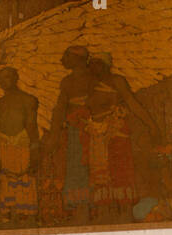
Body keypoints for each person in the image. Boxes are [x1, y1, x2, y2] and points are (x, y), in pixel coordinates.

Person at [44, 47, 158, 224]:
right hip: (93, 134)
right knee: (100, 175)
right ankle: (101, 212)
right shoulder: (89, 84)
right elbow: (75, 109)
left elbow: (132, 103)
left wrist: (151, 125)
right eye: (92, 65)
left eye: (98, 64)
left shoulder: (115, 81)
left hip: (115, 133)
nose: (94, 68)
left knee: (119, 172)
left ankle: (124, 212)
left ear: (106, 65)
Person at [0, 66, 39, 226]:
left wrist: (35, 148)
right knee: (7, 179)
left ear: (16, 78)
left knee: (24, 177)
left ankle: (27, 215)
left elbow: (32, 125)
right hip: (5, 144)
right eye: (1, 78)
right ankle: (10, 215)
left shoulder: (28, 99)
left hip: (22, 143)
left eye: (8, 77)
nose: (5, 81)